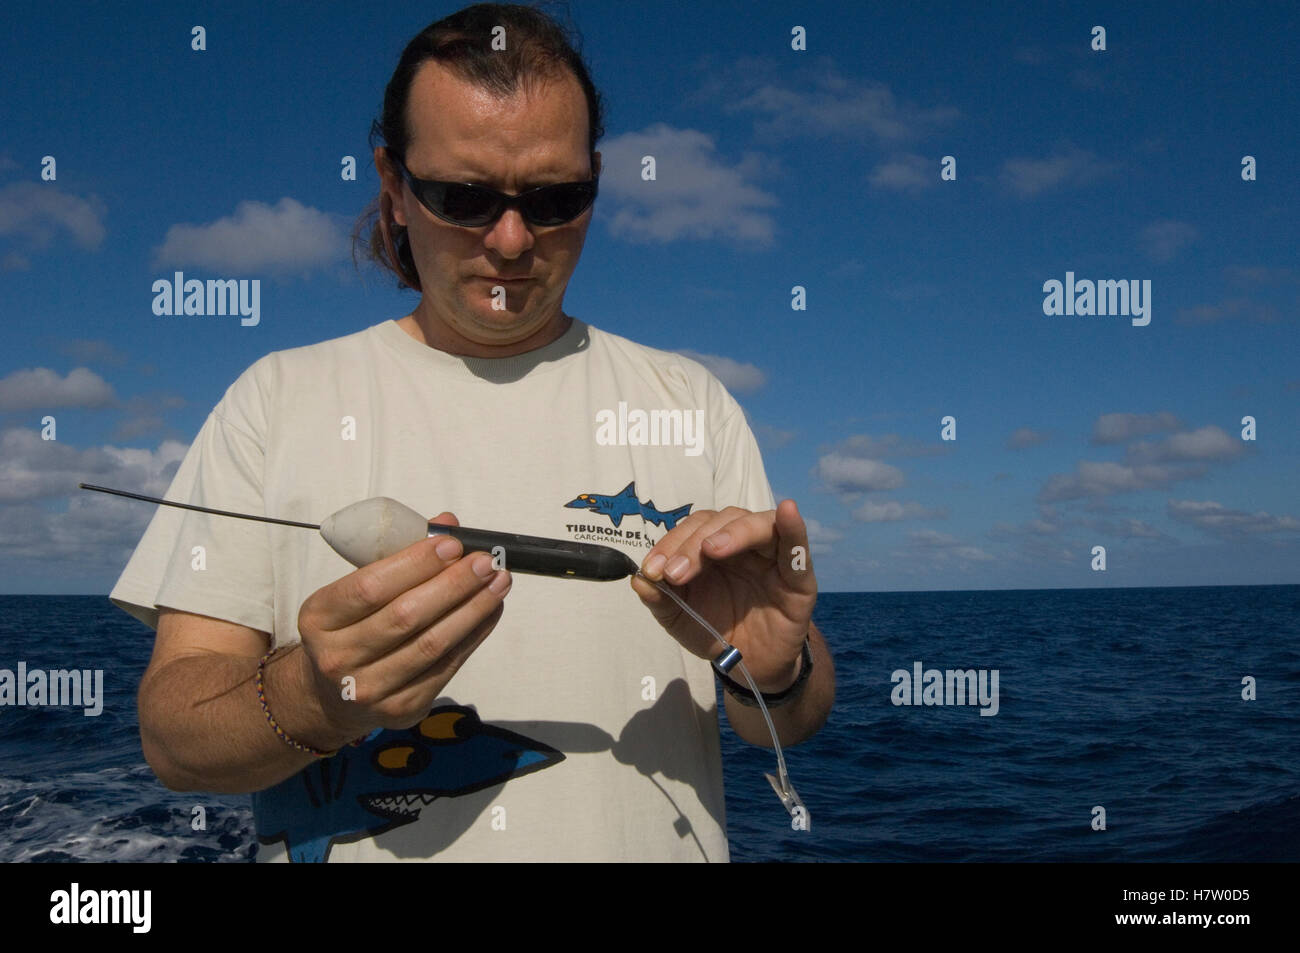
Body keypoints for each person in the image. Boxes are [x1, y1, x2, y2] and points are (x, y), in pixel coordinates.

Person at [111, 2, 833, 862]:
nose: (513, 238)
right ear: (393, 183)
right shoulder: (272, 401)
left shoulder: (690, 399)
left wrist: (773, 671)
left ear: (597, 182)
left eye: (557, 198)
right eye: (464, 196)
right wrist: (314, 696)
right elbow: (173, 739)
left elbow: (790, 711)